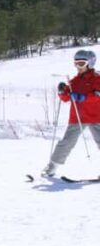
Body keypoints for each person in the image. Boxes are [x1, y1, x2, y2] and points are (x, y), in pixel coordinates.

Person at [42, 49, 100, 177]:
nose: (78, 67)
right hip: (77, 117)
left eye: (81, 64)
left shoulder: (97, 78)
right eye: (76, 64)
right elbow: (66, 98)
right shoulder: (74, 80)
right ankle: (51, 167)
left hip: (96, 116)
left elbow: (97, 96)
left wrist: (83, 97)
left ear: (90, 63)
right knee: (67, 142)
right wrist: (62, 92)